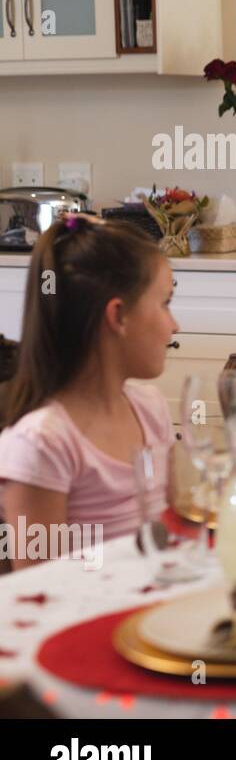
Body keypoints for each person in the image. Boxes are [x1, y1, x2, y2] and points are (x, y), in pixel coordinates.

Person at [0, 217, 176, 568]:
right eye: (164, 303)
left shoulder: (152, 410)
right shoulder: (41, 445)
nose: (174, 325)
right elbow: (42, 598)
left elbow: (171, 535)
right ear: (119, 316)